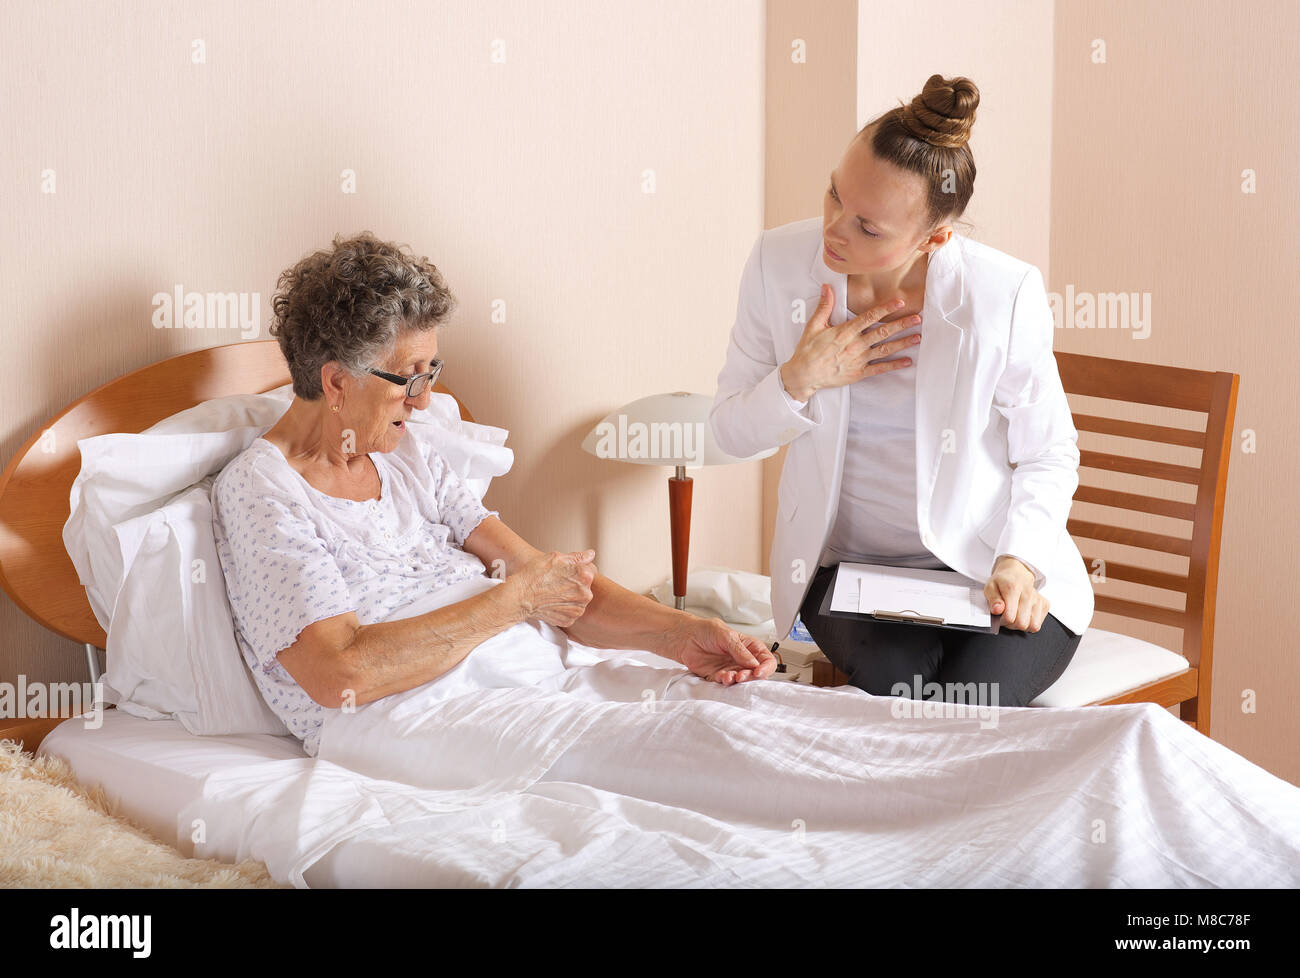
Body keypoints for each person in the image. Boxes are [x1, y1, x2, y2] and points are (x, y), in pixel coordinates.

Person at [212, 231, 776, 756]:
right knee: (706, 760)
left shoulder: (411, 457)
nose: (425, 400)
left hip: (538, 674)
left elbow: (551, 585)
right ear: (336, 382)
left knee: (756, 730)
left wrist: (682, 635)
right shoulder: (261, 492)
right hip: (427, 717)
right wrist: (514, 601)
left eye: (431, 373)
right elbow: (341, 675)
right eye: (410, 378)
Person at [710, 75, 1093, 708]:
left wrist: (1018, 562)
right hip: (851, 575)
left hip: (987, 564)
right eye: (834, 194)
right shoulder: (777, 264)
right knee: (912, 707)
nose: (834, 229)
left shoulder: (1002, 294)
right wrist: (799, 379)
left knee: (968, 708)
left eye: (868, 227)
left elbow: (1048, 452)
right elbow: (727, 431)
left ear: (934, 239)